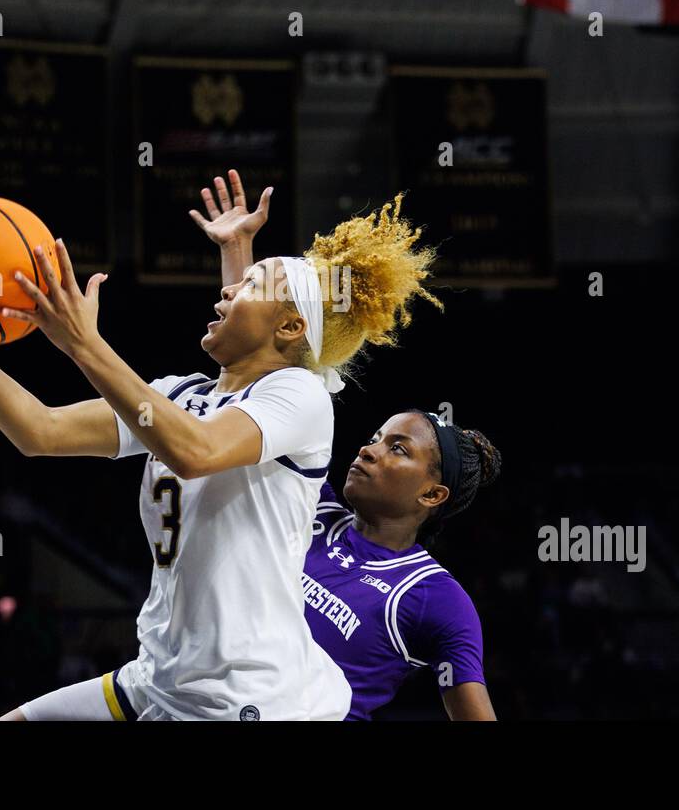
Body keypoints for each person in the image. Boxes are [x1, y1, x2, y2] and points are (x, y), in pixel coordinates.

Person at [0, 179, 439, 720]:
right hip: (158, 676)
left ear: (291, 327)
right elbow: (38, 431)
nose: (227, 291)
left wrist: (84, 344)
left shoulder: (300, 398)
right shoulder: (180, 397)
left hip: (242, 698)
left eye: (249, 287)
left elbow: (197, 450)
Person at [192, 171, 500, 720]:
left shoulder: (434, 599)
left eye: (398, 450)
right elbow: (262, 368)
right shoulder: (316, 507)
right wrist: (239, 254)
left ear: (433, 495)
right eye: (377, 437)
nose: (369, 450)